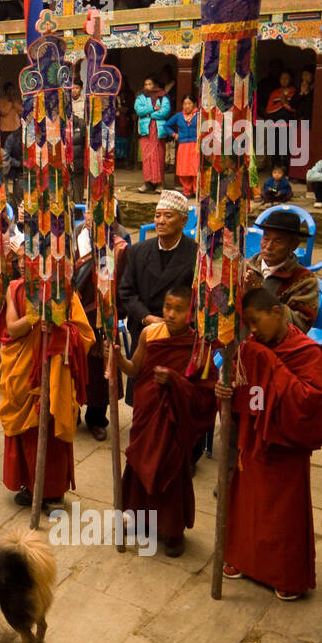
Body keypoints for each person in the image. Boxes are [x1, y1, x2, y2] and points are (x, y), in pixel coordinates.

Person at [215, 287, 322, 600]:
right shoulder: (254, 347)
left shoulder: (307, 353)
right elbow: (239, 383)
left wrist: (269, 363)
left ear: (277, 313)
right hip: (254, 438)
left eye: (256, 321)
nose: (252, 330)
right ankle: (243, 559)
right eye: (249, 324)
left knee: (283, 513)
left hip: (285, 446)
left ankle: (285, 574)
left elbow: (308, 401)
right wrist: (224, 391)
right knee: (248, 504)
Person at [110, 285, 216, 557]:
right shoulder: (149, 333)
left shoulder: (198, 344)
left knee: (171, 470)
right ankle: (136, 517)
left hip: (174, 421)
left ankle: (172, 531)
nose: (170, 314)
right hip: (147, 412)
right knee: (138, 462)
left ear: (190, 314)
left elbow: (205, 393)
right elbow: (134, 369)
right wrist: (119, 359)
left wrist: (175, 381)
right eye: (167, 307)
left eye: (178, 310)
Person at [0, 247, 93, 506]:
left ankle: (52, 492)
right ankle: (29, 484)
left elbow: (84, 335)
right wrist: (35, 317)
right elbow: (12, 331)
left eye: (30, 261)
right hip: (22, 372)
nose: (22, 265)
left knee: (50, 432)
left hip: (52, 374)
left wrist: (58, 328)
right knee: (25, 434)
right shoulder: (14, 289)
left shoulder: (63, 294)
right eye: (20, 260)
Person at [72, 213, 129, 441]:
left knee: (99, 368)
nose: (89, 218)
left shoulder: (119, 243)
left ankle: (96, 418)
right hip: (76, 311)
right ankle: (72, 411)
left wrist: (116, 312)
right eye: (87, 212)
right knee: (73, 364)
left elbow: (123, 279)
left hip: (103, 311)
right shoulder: (75, 235)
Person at [118, 190, 198, 346]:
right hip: (145, 330)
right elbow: (126, 292)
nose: (160, 221)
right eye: (157, 215)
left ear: (183, 221)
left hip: (181, 334)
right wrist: (147, 318)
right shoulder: (137, 251)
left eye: (168, 216)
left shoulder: (196, 255)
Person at [243, 209, 318, 332]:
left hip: (280, 349)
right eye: (266, 239)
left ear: (294, 245)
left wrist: (260, 295)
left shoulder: (305, 280)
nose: (268, 246)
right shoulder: (244, 267)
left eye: (278, 241)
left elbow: (300, 325)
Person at [134, 77, 171, 193]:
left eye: (150, 84)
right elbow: (139, 110)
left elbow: (165, 111)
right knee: (147, 158)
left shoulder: (163, 96)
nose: (147, 86)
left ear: (155, 85)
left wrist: (150, 115)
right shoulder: (141, 97)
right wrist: (153, 108)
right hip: (146, 131)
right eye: (145, 84)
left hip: (158, 131)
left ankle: (160, 184)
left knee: (158, 157)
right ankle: (147, 183)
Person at [165, 93, 199, 197]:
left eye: (189, 103)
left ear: (194, 104)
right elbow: (166, 125)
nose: (187, 106)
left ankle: (197, 191)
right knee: (184, 169)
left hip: (196, 145)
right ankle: (187, 191)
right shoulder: (179, 116)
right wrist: (174, 134)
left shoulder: (199, 115)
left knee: (195, 169)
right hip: (183, 146)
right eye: (184, 104)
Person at [0, 83, 24, 205]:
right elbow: (3, 111)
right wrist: (10, 102)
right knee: (6, 155)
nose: (11, 91)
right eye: (9, 89)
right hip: (5, 131)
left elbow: (21, 110)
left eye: (13, 89)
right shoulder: (3, 100)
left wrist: (14, 101)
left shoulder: (16, 100)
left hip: (17, 129)